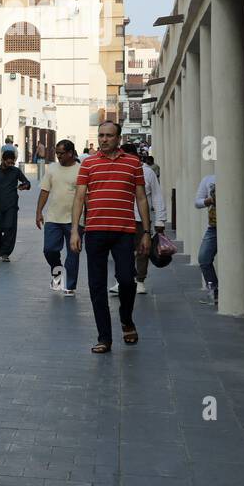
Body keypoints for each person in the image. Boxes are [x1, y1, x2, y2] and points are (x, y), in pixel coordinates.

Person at [69, 121, 151, 354]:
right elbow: (78, 198)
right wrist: (75, 230)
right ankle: (104, 337)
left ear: (118, 138)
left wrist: (146, 232)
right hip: (95, 231)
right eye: (101, 135)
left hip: (124, 232)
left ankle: (126, 319)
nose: (104, 139)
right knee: (96, 286)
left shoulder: (133, 163)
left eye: (109, 136)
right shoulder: (88, 164)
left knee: (127, 280)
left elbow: (142, 198)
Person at [110, 143, 164, 296]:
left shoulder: (148, 173)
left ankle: (140, 281)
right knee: (121, 252)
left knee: (142, 251)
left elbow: (157, 196)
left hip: (141, 219)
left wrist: (160, 219)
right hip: (121, 218)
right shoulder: (117, 170)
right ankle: (120, 281)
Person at [36, 139, 82, 296]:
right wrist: (38, 212)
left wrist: (89, 217)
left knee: (73, 253)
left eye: (61, 153)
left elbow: (86, 197)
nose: (58, 156)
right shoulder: (52, 169)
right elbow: (44, 191)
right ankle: (58, 274)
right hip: (53, 218)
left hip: (75, 220)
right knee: (49, 250)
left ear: (70, 153)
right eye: (57, 153)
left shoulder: (81, 170)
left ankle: (69, 285)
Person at [0, 146, 30, 261]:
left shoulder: (16, 171)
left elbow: (27, 183)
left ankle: (5, 253)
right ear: (3, 161)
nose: (11, 164)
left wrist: (24, 186)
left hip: (11, 205)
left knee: (9, 228)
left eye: (12, 162)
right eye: (9, 162)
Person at [195, 173, 218, 305]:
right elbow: (197, 202)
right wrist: (208, 201)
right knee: (204, 258)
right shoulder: (208, 179)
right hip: (213, 227)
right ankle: (213, 291)